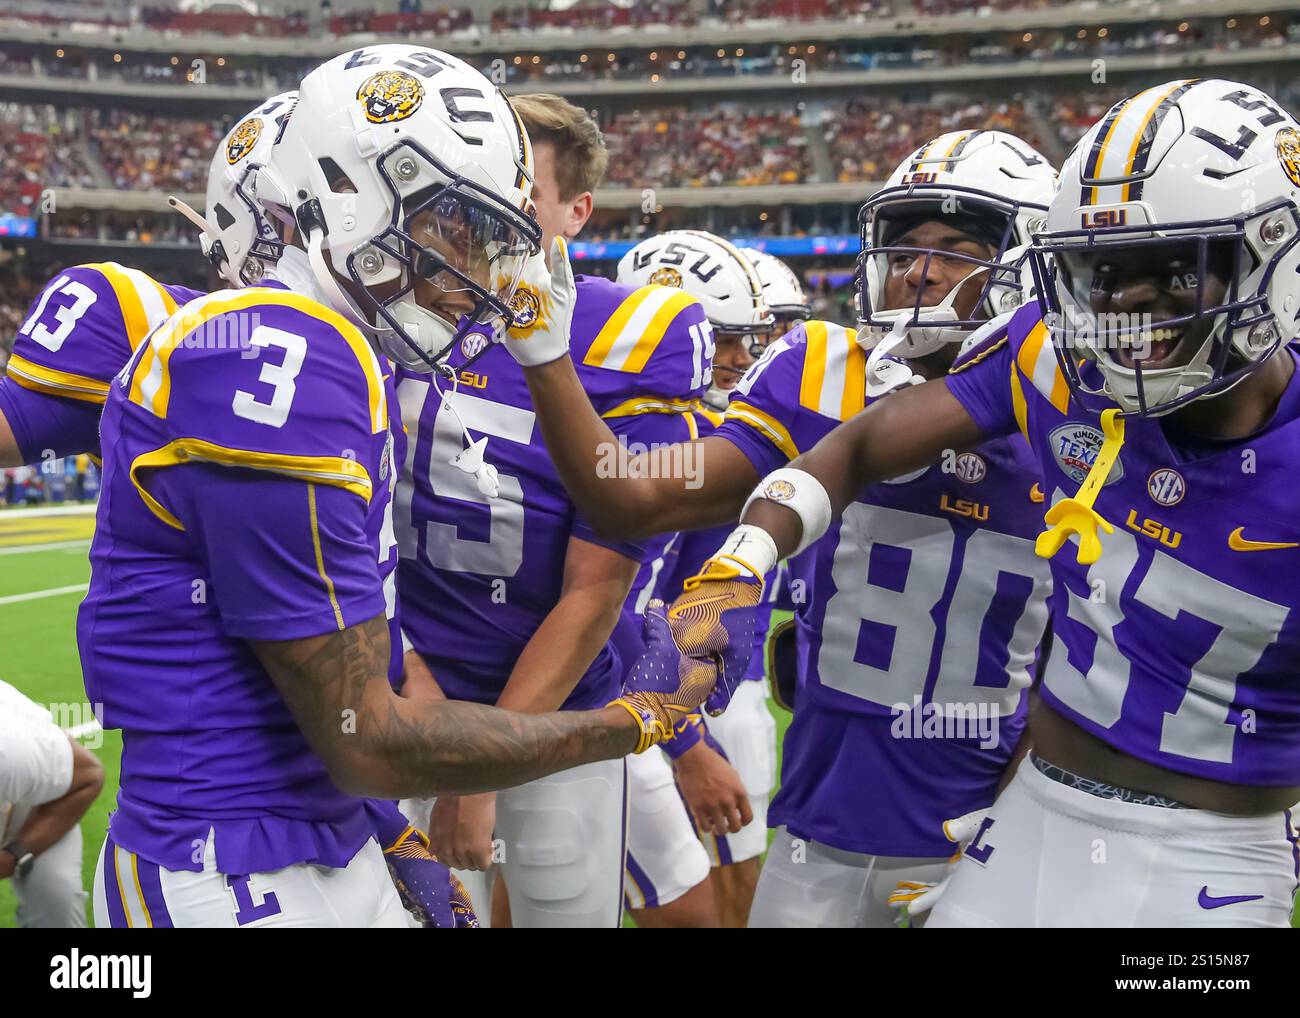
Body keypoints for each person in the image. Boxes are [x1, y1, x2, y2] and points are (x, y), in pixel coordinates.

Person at [80, 45, 708, 929]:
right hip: (227, 865)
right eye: (456, 228)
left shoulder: (338, 351)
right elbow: (366, 737)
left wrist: (388, 832)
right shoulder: (285, 355)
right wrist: (633, 721)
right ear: (348, 188)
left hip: (322, 834)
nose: (476, 278)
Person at [659, 80, 1300, 927]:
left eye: (1172, 270)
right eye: (1100, 272)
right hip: (1028, 814)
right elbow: (859, 443)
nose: (1122, 310)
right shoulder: (1049, 353)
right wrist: (741, 563)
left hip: (1213, 850)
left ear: (1273, 259)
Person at [392, 95, 714, 928]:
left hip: (555, 719)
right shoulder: (392, 304)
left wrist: (485, 767)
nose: (484, 216)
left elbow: (596, 590)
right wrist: (403, 663)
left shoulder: (632, 331)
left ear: (576, 211)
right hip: (393, 697)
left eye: (516, 189)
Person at [0, 679, 104, 928]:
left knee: (57, 908)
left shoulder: (13, 752)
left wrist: (15, 855)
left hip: (40, 800)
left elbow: (88, 777)